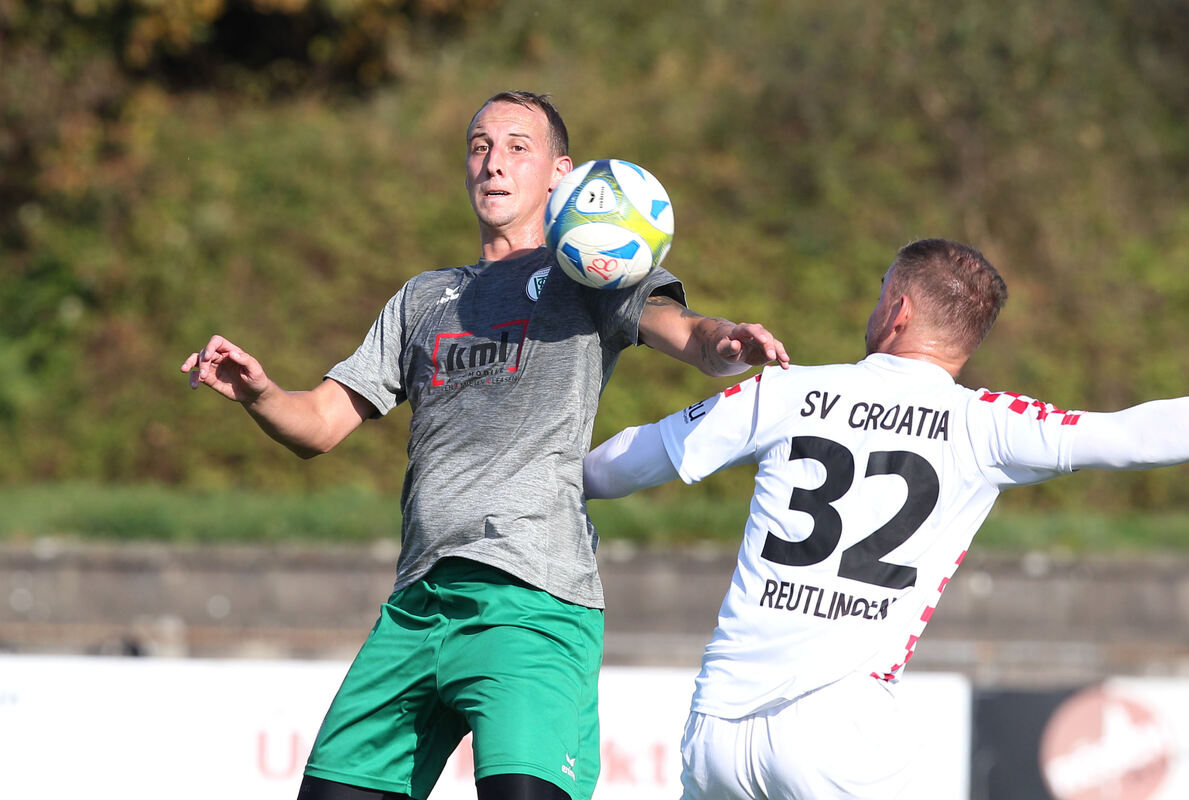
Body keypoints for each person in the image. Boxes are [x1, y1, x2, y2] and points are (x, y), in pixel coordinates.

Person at [180, 90, 789, 800]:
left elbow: (682, 330)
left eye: (516, 147)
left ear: (563, 173)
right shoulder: (423, 298)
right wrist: (258, 392)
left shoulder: (592, 276)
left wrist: (726, 341)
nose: (492, 163)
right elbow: (318, 425)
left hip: (529, 602)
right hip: (417, 605)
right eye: (479, 146)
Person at [582, 237, 1189, 800]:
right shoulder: (987, 425)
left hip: (718, 728)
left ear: (896, 312)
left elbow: (621, 465)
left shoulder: (787, 390)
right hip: (836, 728)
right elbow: (1133, 435)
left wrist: (532, 479)